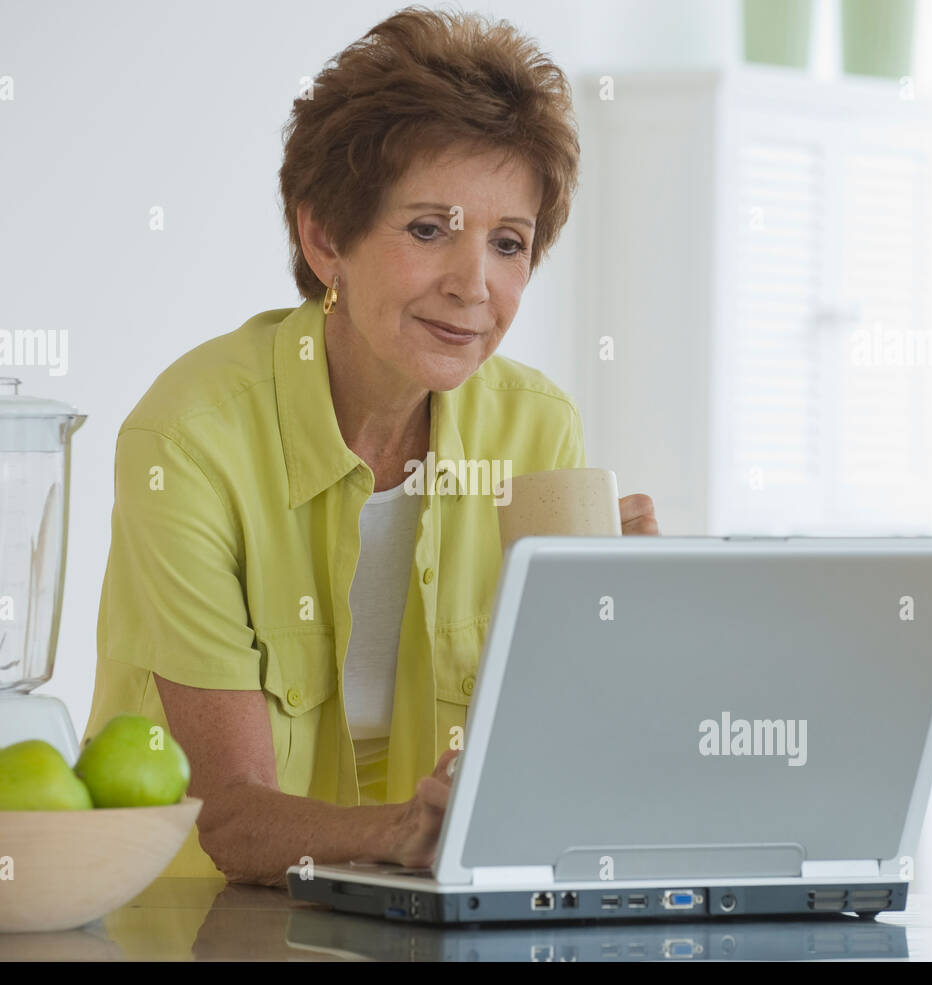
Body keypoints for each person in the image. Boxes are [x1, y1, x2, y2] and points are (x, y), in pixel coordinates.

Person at [84, 6, 659, 887]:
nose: (475, 286)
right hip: (200, 930)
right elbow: (230, 818)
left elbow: (558, 766)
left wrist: (629, 637)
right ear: (325, 239)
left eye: (509, 243)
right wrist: (401, 831)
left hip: (426, 926)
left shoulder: (537, 431)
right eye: (430, 229)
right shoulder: (189, 441)